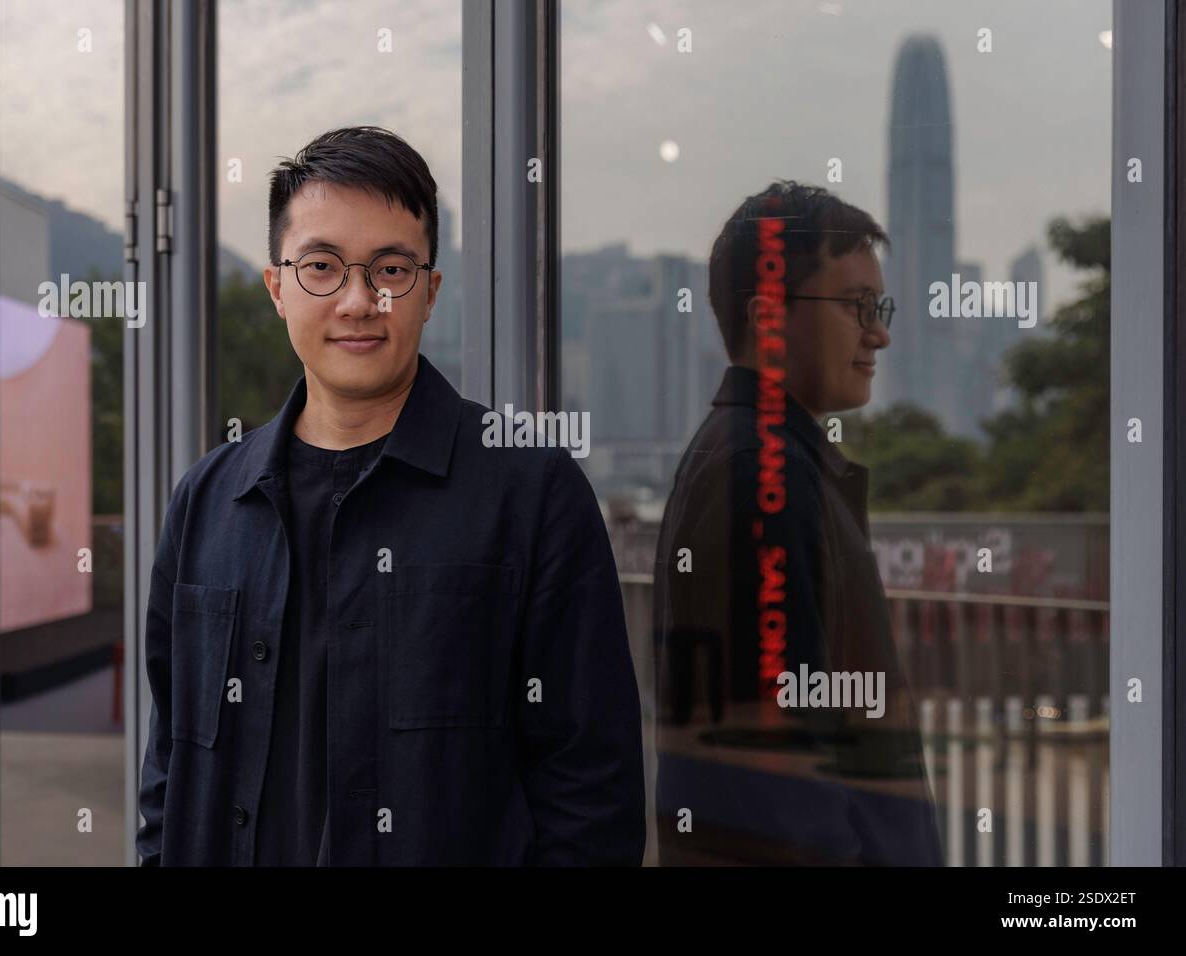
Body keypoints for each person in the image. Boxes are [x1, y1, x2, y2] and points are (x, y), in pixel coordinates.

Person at [137, 126, 645, 866]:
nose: (356, 300)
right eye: (320, 267)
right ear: (277, 287)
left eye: (391, 270)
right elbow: (171, 766)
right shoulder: (209, 500)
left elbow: (591, 798)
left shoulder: (531, 494)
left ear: (430, 291)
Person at [653, 181, 943, 865]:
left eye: (880, 306)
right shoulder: (761, 476)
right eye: (856, 306)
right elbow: (778, 783)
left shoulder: (768, 460)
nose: (880, 332)